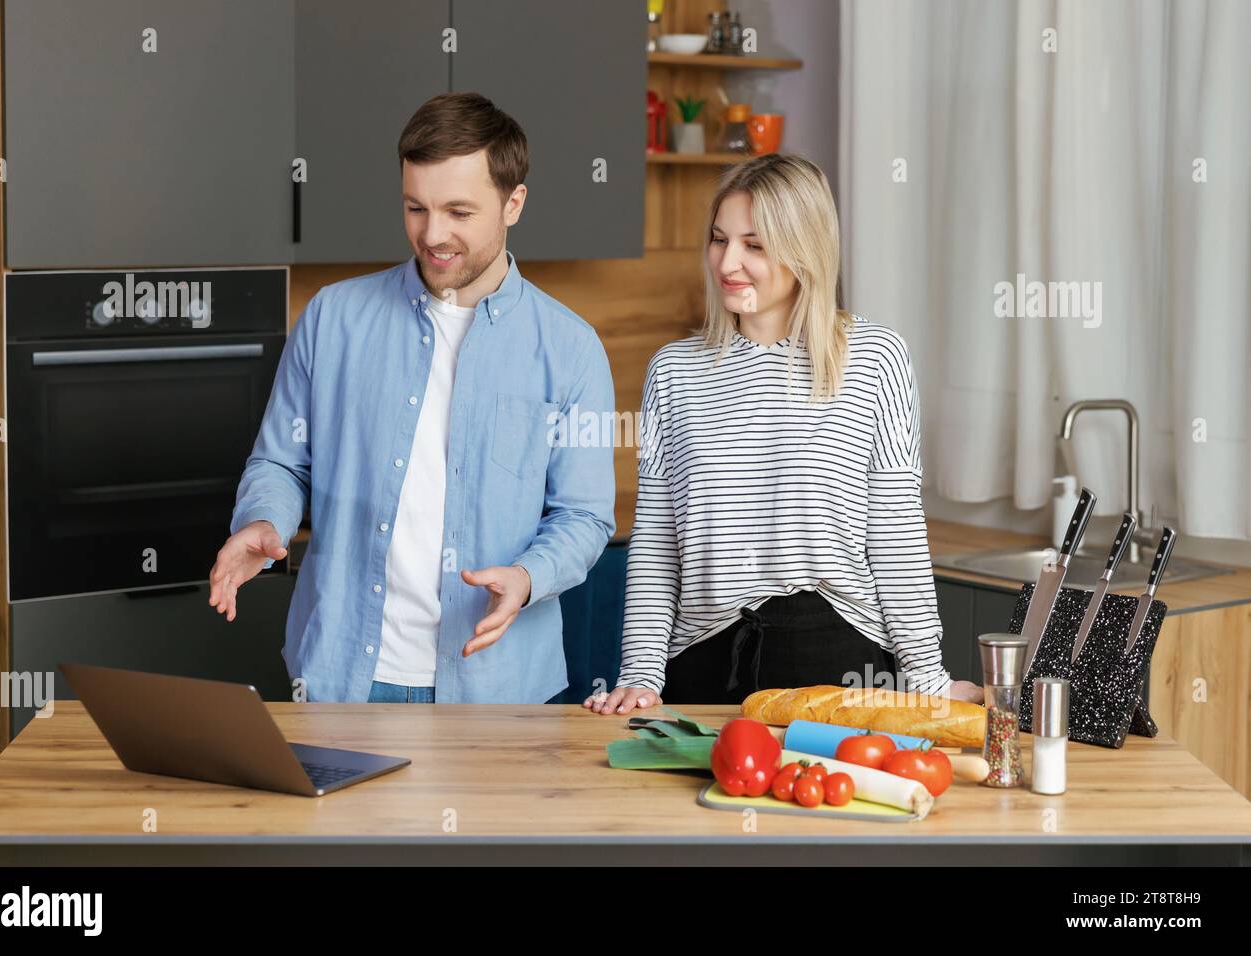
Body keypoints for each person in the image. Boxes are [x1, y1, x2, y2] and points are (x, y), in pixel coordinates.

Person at [209, 92, 615, 704]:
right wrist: (264, 521)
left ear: (514, 202)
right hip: (342, 677)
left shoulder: (570, 348)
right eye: (415, 208)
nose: (433, 234)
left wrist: (528, 578)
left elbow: (584, 517)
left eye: (458, 211)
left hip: (497, 689)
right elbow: (281, 461)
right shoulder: (333, 319)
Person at [586, 153, 983, 715]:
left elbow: (895, 538)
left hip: (842, 658)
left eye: (755, 244)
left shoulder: (873, 359)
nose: (729, 262)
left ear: (805, 249)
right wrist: (641, 673)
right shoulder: (672, 371)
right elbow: (656, 543)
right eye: (719, 240)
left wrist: (925, 674)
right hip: (704, 662)